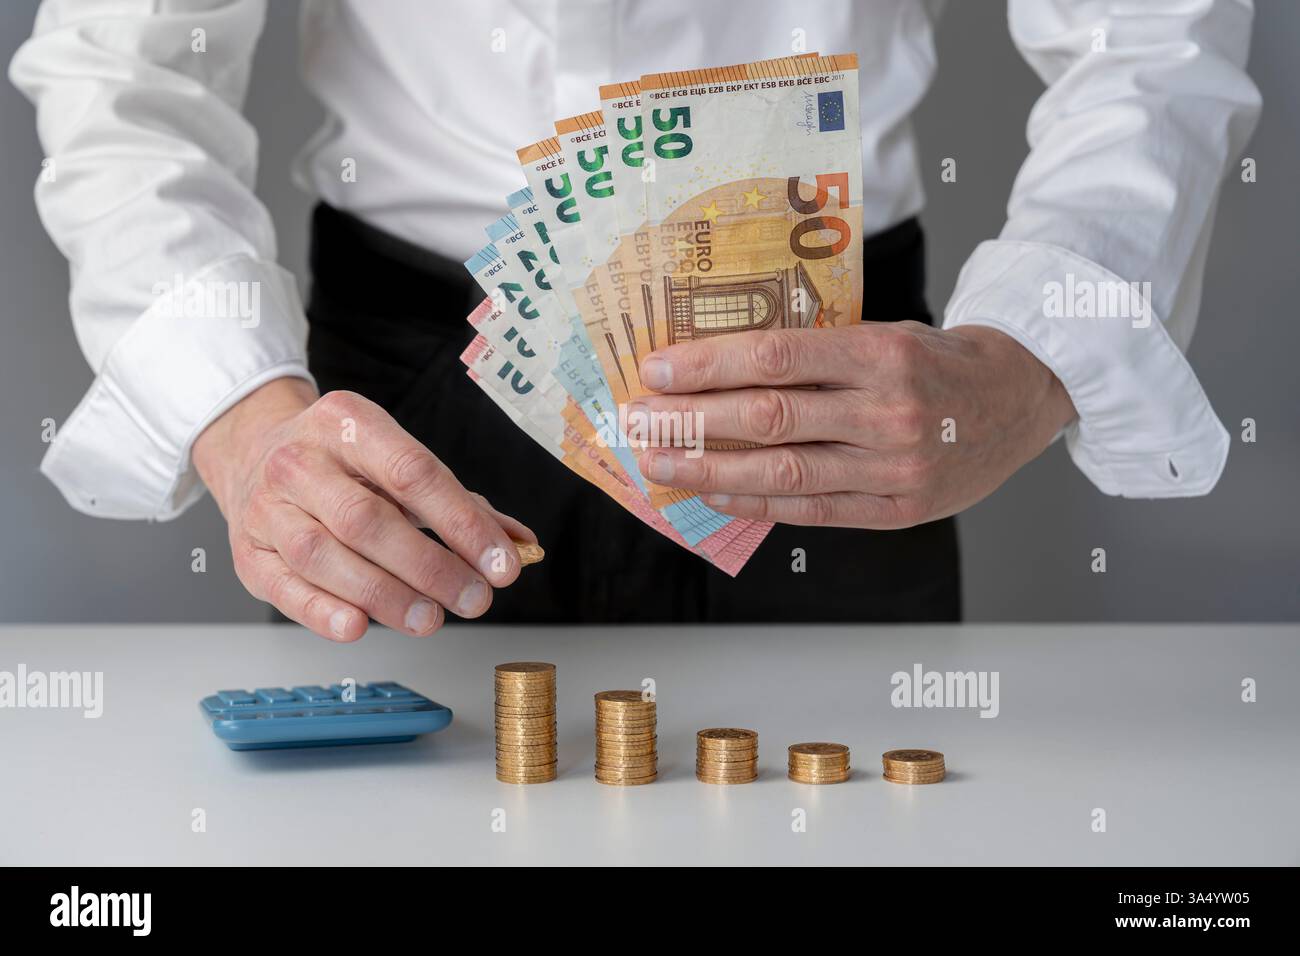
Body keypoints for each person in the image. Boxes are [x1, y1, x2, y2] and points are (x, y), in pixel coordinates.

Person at [9, 0, 1260, 636]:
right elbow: (125, 58)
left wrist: (1039, 352)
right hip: (395, 418)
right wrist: (231, 413)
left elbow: (1149, 31)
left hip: (835, 403)